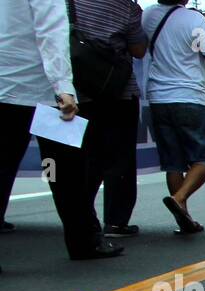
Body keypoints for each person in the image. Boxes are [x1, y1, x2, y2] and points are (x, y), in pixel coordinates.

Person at [0, 0, 118, 260]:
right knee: (67, 174)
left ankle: (85, 239)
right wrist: (63, 86)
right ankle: (84, 242)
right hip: (41, 91)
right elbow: (50, 31)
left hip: (5, 88)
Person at [140, 0, 205, 235]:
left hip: (158, 97)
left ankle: (183, 217)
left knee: (173, 161)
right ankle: (179, 198)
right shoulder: (193, 20)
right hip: (189, 97)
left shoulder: (147, 16)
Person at [73, 0, 148, 240]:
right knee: (120, 157)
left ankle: (80, 220)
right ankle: (116, 222)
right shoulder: (125, 6)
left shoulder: (64, 3)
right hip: (116, 91)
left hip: (74, 92)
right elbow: (139, 50)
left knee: (83, 158)